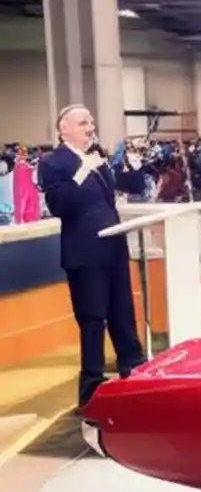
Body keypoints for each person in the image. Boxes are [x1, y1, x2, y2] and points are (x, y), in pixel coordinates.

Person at [37, 105, 146, 410]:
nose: (90, 127)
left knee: (122, 310)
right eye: (83, 123)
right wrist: (81, 172)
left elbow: (129, 189)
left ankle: (133, 365)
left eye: (91, 122)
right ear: (64, 130)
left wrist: (134, 166)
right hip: (84, 252)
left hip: (112, 246)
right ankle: (91, 384)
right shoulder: (53, 162)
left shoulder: (98, 159)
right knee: (93, 318)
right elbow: (60, 205)